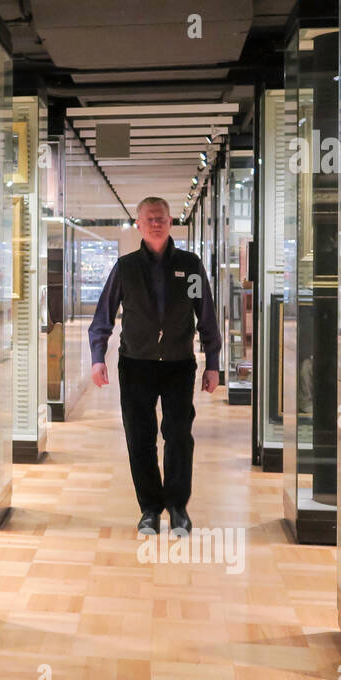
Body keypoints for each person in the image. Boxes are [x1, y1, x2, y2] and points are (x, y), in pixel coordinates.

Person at [87, 197, 222, 537]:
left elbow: (205, 313)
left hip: (179, 364)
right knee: (140, 437)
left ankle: (177, 508)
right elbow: (103, 315)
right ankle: (149, 509)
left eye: (160, 218)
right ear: (139, 225)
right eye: (149, 219)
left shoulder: (190, 265)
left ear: (171, 221)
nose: (156, 223)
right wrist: (97, 356)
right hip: (136, 365)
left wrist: (213, 362)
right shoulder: (126, 267)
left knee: (178, 436)